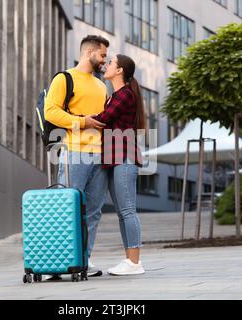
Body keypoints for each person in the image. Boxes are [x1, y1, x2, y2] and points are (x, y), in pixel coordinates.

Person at [44, 35, 110, 278]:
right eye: (102, 55)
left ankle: (84, 260)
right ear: (88, 52)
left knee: (93, 210)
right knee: (67, 207)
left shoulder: (102, 86)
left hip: (99, 155)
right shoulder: (65, 78)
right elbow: (51, 113)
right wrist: (83, 122)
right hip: (74, 152)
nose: (105, 60)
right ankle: (60, 262)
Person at [92, 54, 146, 276]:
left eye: (111, 63)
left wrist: (77, 119)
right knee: (123, 212)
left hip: (125, 158)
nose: (106, 65)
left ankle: (134, 263)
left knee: (127, 210)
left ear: (120, 70)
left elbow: (104, 118)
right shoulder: (115, 95)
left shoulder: (124, 95)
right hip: (116, 159)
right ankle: (129, 260)